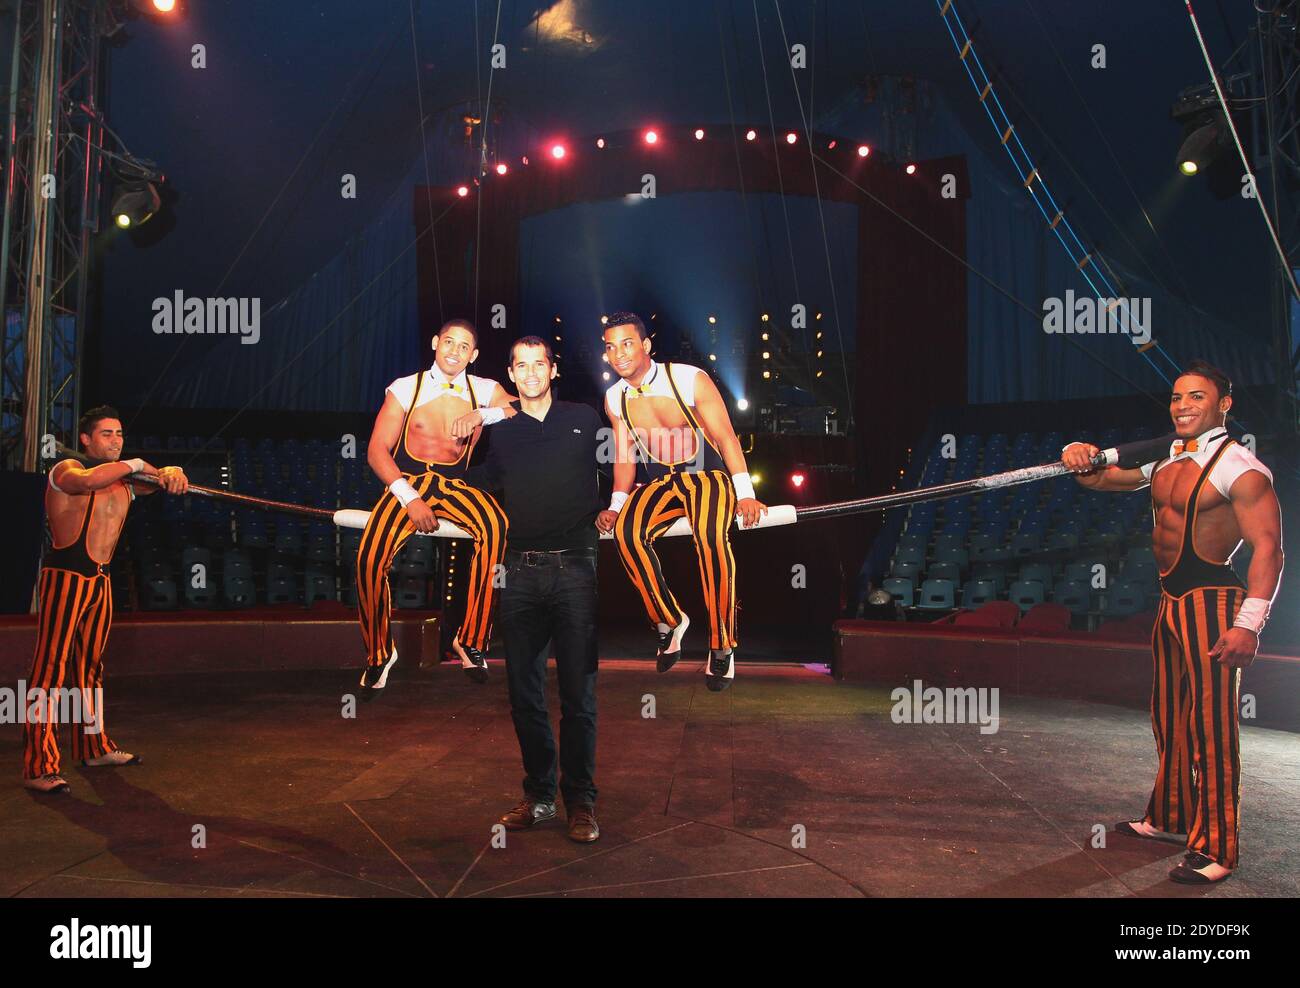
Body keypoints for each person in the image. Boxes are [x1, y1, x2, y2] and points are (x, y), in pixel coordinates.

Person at [1062, 360, 1283, 884]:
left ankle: (1219, 850)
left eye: (1197, 397)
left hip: (1214, 602)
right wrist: (1078, 453)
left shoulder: (1241, 468)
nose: (1183, 405)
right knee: (1169, 716)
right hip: (1171, 601)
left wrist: (1250, 624)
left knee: (1211, 728)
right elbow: (1100, 481)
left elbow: (1269, 548)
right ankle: (1170, 817)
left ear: (1224, 404)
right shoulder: (1166, 460)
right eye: (1177, 397)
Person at [467, 335, 604, 843]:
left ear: (553, 370)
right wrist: (419, 490)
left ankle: (582, 802)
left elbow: (625, 465)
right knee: (524, 695)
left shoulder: (585, 417)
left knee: (578, 697)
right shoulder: (502, 433)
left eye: (537, 364)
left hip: (576, 570)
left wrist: (623, 501)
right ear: (511, 373)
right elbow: (480, 478)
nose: (529, 373)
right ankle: (540, 796)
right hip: (517, 573)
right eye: (519, 365)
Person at [595, 312, 766, 691]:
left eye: (626, 343)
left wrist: (746, 495)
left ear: (645, 346)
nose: (618, 353)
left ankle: (722, 644)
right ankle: (670, 620)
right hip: (661, 481)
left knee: (709, 535)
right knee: (625, 534)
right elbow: (624, 456)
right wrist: (616, 505)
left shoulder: (689, 378)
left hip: (706, 474)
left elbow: (725, 437)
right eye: (610, 346)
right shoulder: (614, 397)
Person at [23, 406, 189, 793]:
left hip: (100, 580)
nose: (115, 440)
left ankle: (93, 746)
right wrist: (137, 464)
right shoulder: (67, 469)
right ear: (86, 439)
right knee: (49, 670)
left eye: (119, 434)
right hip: (66, 576)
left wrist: (172, 473)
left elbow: (155, 480)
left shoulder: (124, 480)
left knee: (90, 670)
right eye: (106, 434)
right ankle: (38, 767)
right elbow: (87, 482)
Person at [356, 319, 514, 696]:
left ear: (473, 355)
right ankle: (379, 653)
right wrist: (409, 499)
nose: (454, 351)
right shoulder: (404, 387)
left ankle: (471, 639)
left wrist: (483, 414)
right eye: (449, 342)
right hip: (407, 484)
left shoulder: (485, 389)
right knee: (368, 559)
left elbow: (525, 407)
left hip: (456, 485)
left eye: (464, 347)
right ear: (434, 343)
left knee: (497, 527)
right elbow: (376, 451)